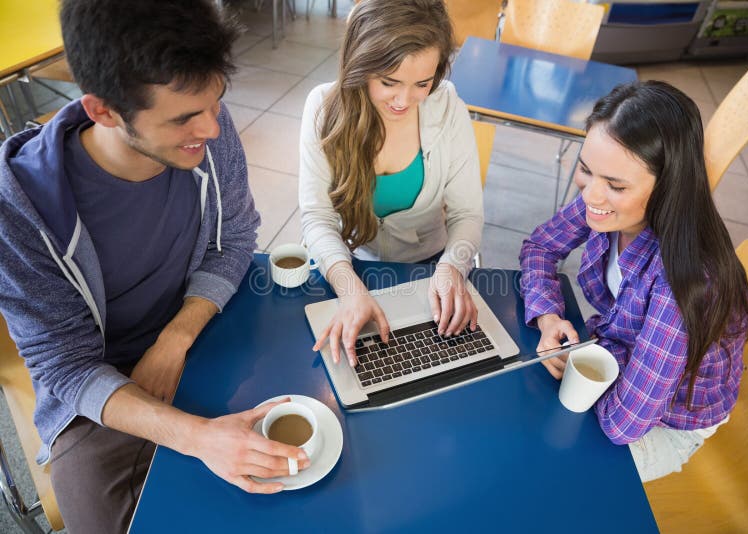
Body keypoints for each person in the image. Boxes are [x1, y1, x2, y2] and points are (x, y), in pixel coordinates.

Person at [0, 1, 307, 531]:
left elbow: (235, 239)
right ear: (103, 111)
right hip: (100, 392)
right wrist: (198, 437)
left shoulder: (207, 130)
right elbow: (65, 367)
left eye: (216, 101)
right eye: (183, 118)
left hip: (204, 331)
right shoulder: (20, 208)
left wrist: (175, 339)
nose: (212, 129)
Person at [519, 81, 748, 482]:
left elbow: (623, 423)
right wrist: (548, 317)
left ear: (667, 188)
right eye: (586, 169)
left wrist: (589, 365)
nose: (591, 195)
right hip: (627, 364)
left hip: (670, 423)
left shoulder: (686, 278)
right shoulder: (608, 202)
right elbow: (540, 247)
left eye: (615, 185)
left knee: (548, 475)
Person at [299, 0, 484, 366]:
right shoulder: (322, 107)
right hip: (346, 263)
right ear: (359, 65)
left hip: (429, 269)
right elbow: (317, 217)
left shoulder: (448, 109)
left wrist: (452, 267)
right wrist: (349, 288)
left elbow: (467, 214)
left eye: (422, 84)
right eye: (389, 82)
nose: (404, 100)